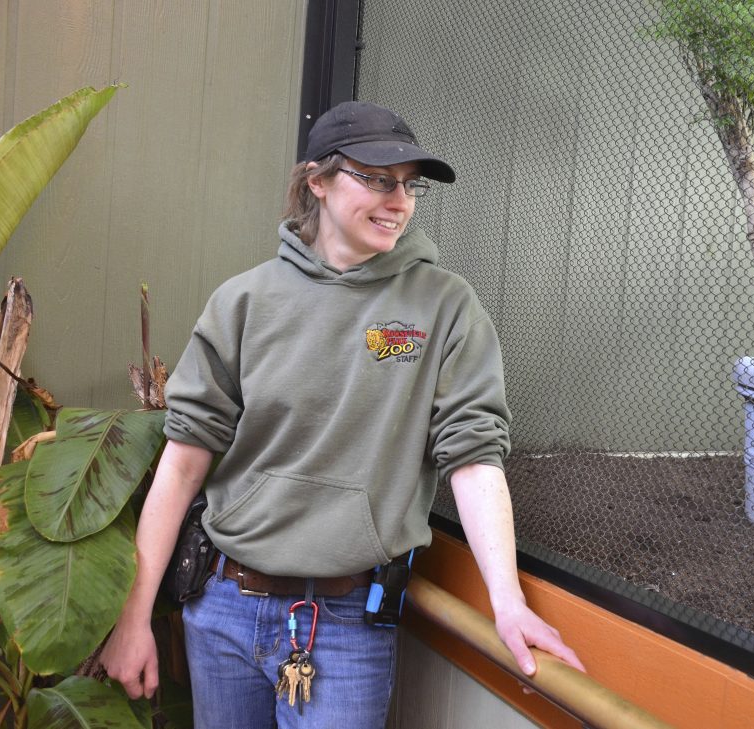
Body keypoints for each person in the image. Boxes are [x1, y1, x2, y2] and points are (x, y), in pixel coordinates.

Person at [100, 100, 585, 727]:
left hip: (348, 623)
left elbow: (473, 458)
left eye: (409, 186)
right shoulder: (243, 302)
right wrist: (134, 618)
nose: (399, 201)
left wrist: (508, 601)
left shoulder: (444, 308)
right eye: (377, 179)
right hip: (224, 608)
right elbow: (184, 462)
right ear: (318, 182)